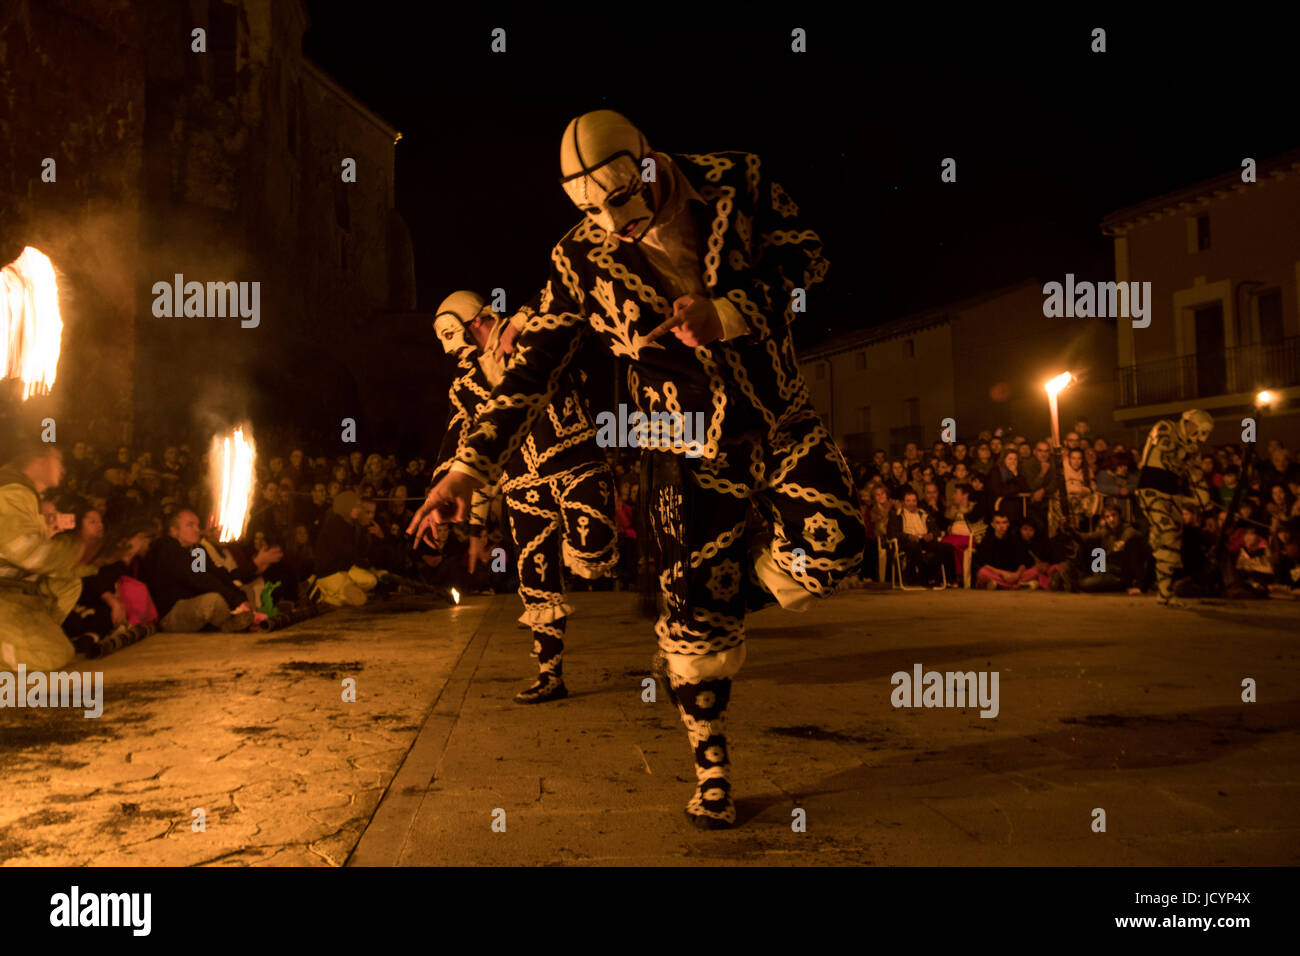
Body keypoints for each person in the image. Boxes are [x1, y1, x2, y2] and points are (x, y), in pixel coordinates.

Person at [411, 110, 865, 829]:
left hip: (776, 412)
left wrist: (732, 310)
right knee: (691, 636)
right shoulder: (579, 260)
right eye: (591, 211)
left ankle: (716, 600)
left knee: (836, 544)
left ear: (650, 166)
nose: (611, 224)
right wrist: (468, 468)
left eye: (619, 203)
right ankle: (711, 769)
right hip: (680, 445)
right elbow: (531, 372)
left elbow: (810, 258)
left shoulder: (738, 181)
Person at [431, 288, 619, 704]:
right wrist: (465, 518)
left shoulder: (535, 336)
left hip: (574, 461)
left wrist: (519, 319)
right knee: (536, 581)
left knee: (593, 553)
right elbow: (464, 449)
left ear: (476, 321)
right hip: (520, 485)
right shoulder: (464, 386)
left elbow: (567, 289)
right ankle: (549, 674)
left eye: (449, 334)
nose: (446, 347)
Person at [1135, 409, 1214, 605]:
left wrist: (1209, 510)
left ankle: (1164, 593)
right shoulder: (1165, 427)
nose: (1201, 437)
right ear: (1190, 423)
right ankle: (1160, 588)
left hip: (1173, 495)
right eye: (1201, 430)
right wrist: (1187, 453)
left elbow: (1198, 480)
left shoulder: (1193, 449)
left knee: (1173, 540)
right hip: (1150, 490)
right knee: (1168, 531)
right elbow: (1164, 445)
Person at [0, 443, 84, 627]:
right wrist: (71, 553)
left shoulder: (24, 494)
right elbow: (21, 548)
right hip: (5, 583)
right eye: (58, 460)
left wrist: (47, 532)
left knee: (66, 582)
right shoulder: (13, 493)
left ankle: (38, 636)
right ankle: (34, 640)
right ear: (40, 460)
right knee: (66, 582)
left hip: (11, 579)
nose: (62, 468)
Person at [141, 509, 255, 631]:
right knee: (213, 601)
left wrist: (239, 596)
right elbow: (197, 578)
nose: (197, 530)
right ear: (174, 531)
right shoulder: (168, 549)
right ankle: (228, 626)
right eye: (190, 525)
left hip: (194, 602)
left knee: (244, 590)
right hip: (172, 613)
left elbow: (214, 575)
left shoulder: (196, 550)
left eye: (197, 525)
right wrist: (234, 600)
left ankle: (242, 621)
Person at [887, 489, 948, 587]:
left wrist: (931, 535)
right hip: (907, 542)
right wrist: (909, 536)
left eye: (914, 500)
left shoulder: (923, 513)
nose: (911, 503)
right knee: (914, 546)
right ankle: (924, 576)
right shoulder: (897, 515)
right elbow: (892, 533)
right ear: (903, 502)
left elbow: (936, 530)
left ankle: (932, 575)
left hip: (924, 540)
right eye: (908, 501)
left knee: (944, 547)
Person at [973, 512, 1035, 589]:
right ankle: (1017, 586)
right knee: (982, 573)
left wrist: (1016, 575)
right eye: (998, 523)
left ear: (1008, 524)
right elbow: (984, 564)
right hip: (997, 573)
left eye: (1004, 522)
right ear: (993, 524)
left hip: (1013, 574)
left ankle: (999, 585)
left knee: (1034, 571)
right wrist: (1003, 573)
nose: (1001, 526)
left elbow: (1023, 562)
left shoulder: (1014, 540)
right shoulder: (987, 541)